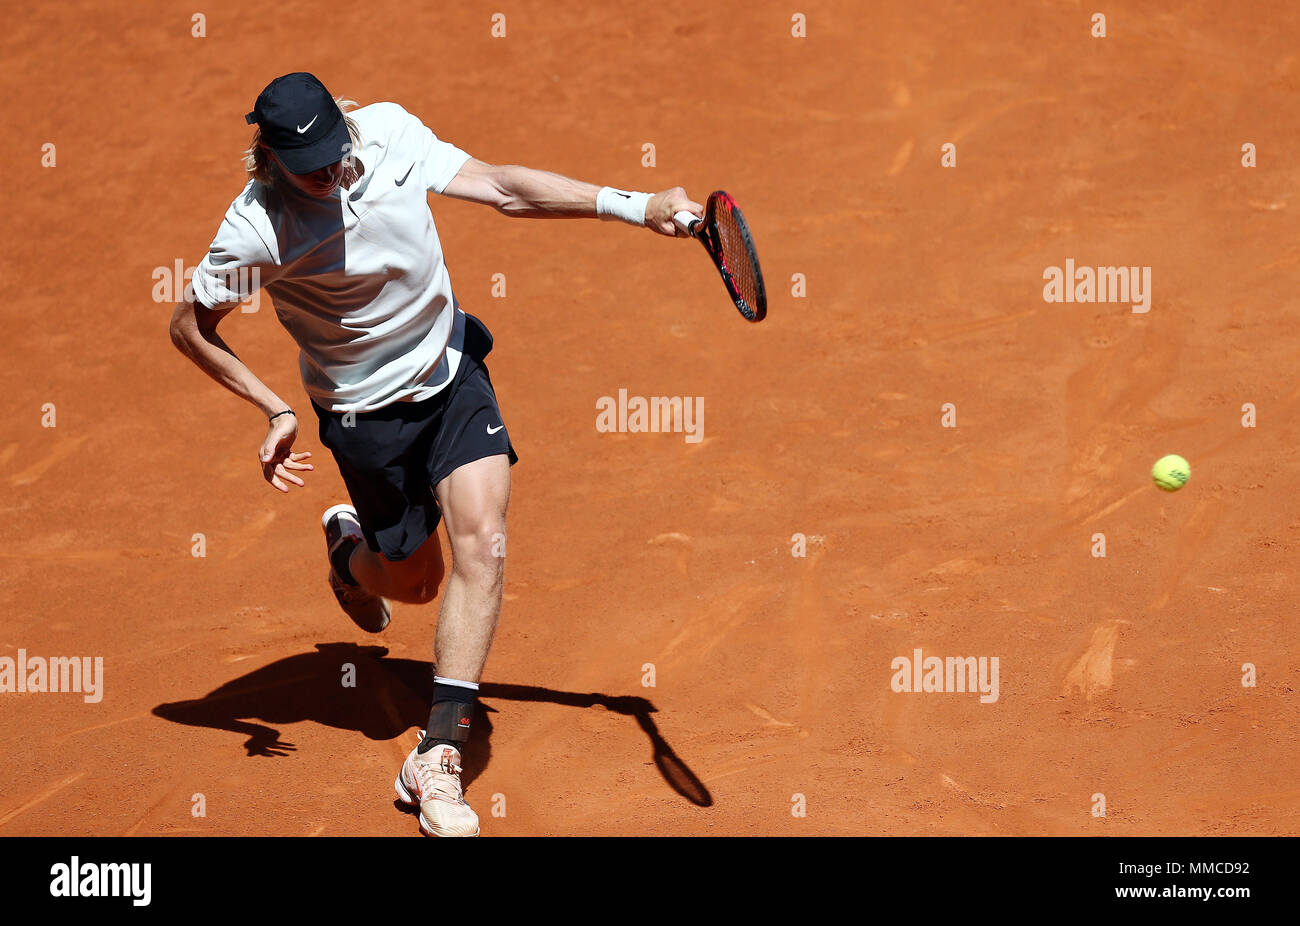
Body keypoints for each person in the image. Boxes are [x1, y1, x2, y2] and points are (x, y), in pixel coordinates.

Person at [170, 72, 702, 837]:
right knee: (415, 584)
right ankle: (350, 553)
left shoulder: (385, 133)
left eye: (335, 150)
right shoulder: (256, 229)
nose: (331, 170)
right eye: (309, 163)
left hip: (451, 374)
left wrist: (637, 205)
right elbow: (189, 327)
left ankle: (436, 757)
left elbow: (502, 188)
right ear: (270, 158)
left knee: (484, 543)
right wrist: (274, 406)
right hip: (364, 416)